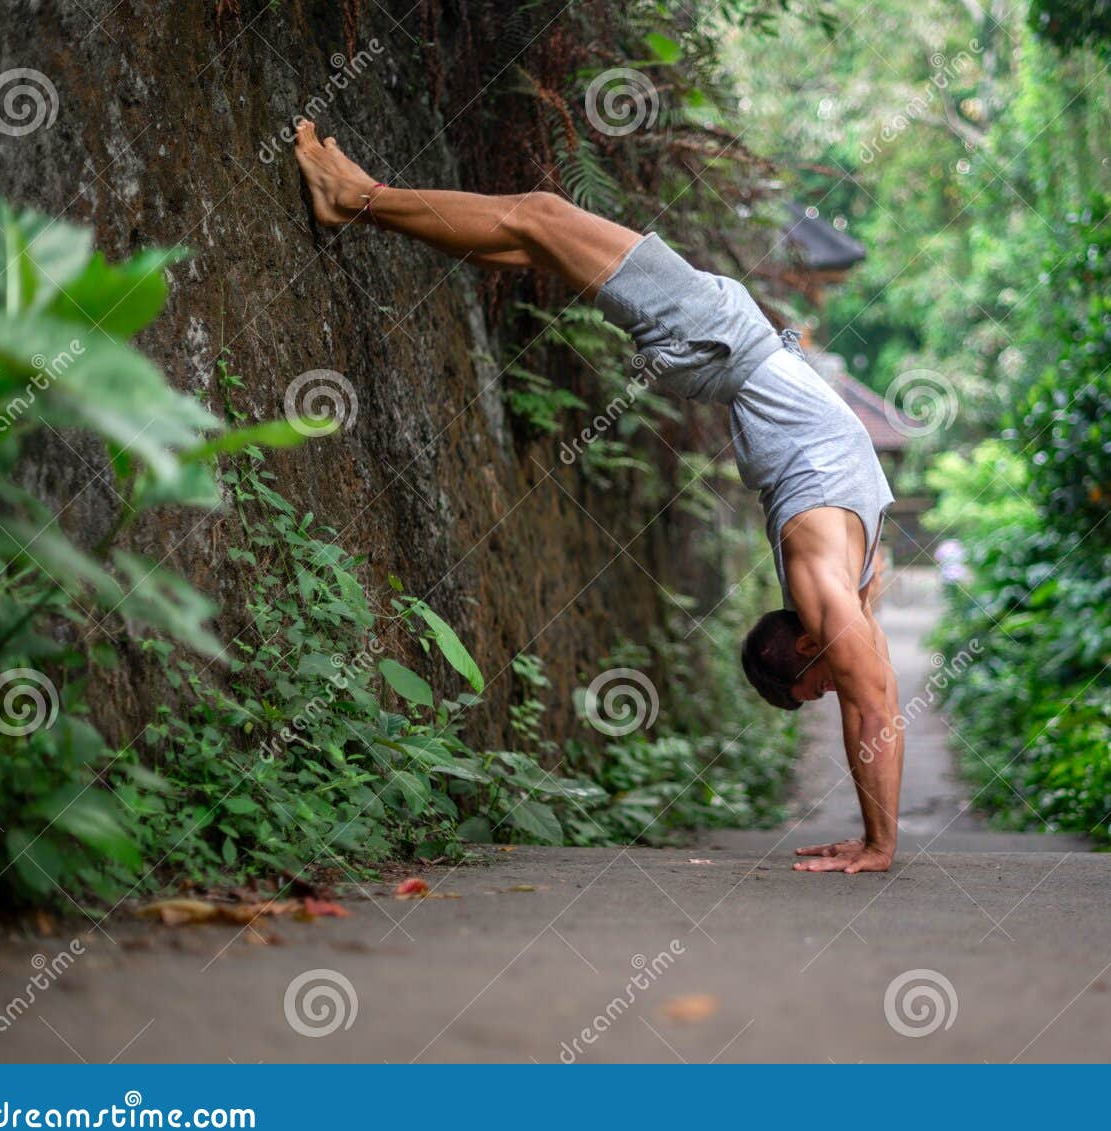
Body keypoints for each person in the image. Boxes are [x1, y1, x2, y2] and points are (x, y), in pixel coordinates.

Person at [293, 122, 902, 873]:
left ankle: (356, 198)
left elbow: (868, 700)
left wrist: (879, 841)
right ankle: (357, 201)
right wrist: (880, 841)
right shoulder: (841, 586)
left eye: (815, 686)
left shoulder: (823, 582)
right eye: (816, 688)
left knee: (543, 214)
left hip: (719, 341)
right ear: (812, 650)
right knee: (533, 236)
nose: (833, 682)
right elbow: (872, 700)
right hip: (725, 338)